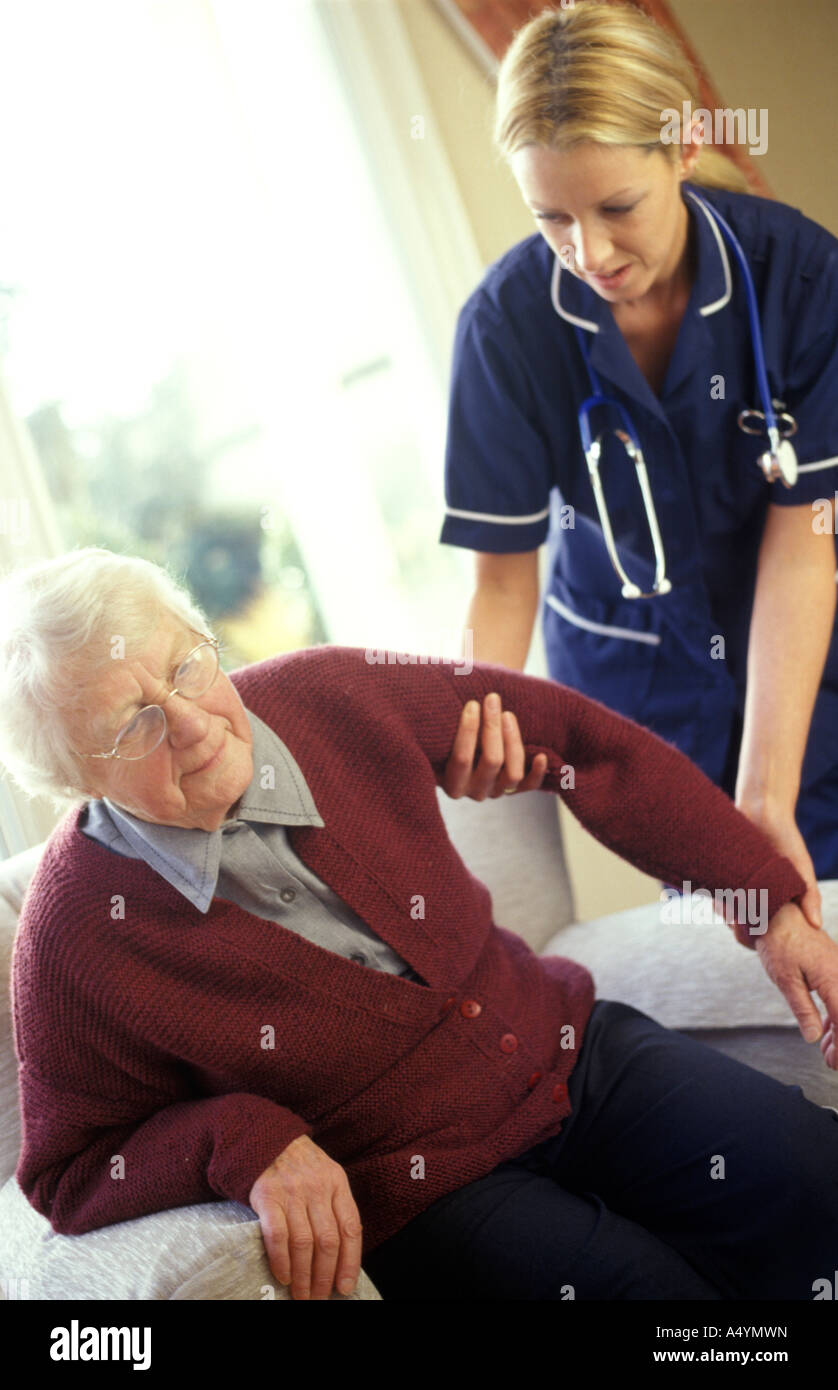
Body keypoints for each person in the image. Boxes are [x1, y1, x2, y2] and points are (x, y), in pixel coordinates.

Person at [3, 547, 838, 1302]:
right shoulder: (75, 936)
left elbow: (578, 739)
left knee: (813, 1172)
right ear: (77, 778)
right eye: (134, 725)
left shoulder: (328, 694)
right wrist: (243, 1143)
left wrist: (763, 904)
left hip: (570, 1051)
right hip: (428, 1186)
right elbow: (70, 1171)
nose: (190, 724)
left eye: (186, 667)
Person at [440, 0, 838, 941]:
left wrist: (765, 794)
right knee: (730, 948)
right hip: (638, 678)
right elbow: (501, 581)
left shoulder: (802, 279)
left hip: (803, 654)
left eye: (618, 207)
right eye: (552, 220)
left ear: (686, 144)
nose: (591, 253)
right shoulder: (504, 329)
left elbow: (806, 541)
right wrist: (464, 726)